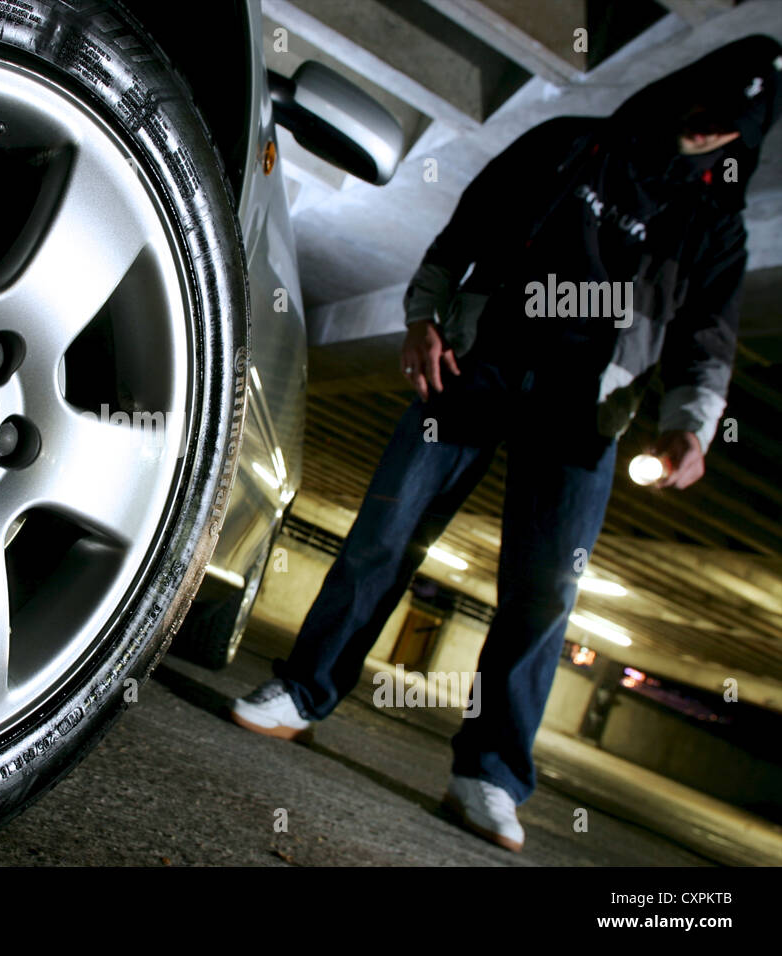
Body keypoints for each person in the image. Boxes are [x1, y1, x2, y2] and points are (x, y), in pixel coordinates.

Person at [230, 35, 782, 853]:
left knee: (546, 591)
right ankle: (303, 694)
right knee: (385, 533)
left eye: (726, 126)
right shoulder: (568, 147)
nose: (705, 130)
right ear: (681, 93)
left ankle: (487, 775)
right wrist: (420, 317)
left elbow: (707, 340)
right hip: (477, 363)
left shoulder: (717, 230)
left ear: (747, 135)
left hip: (586, 413)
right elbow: (463, 234)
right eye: (700, 110)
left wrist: (691, 430)